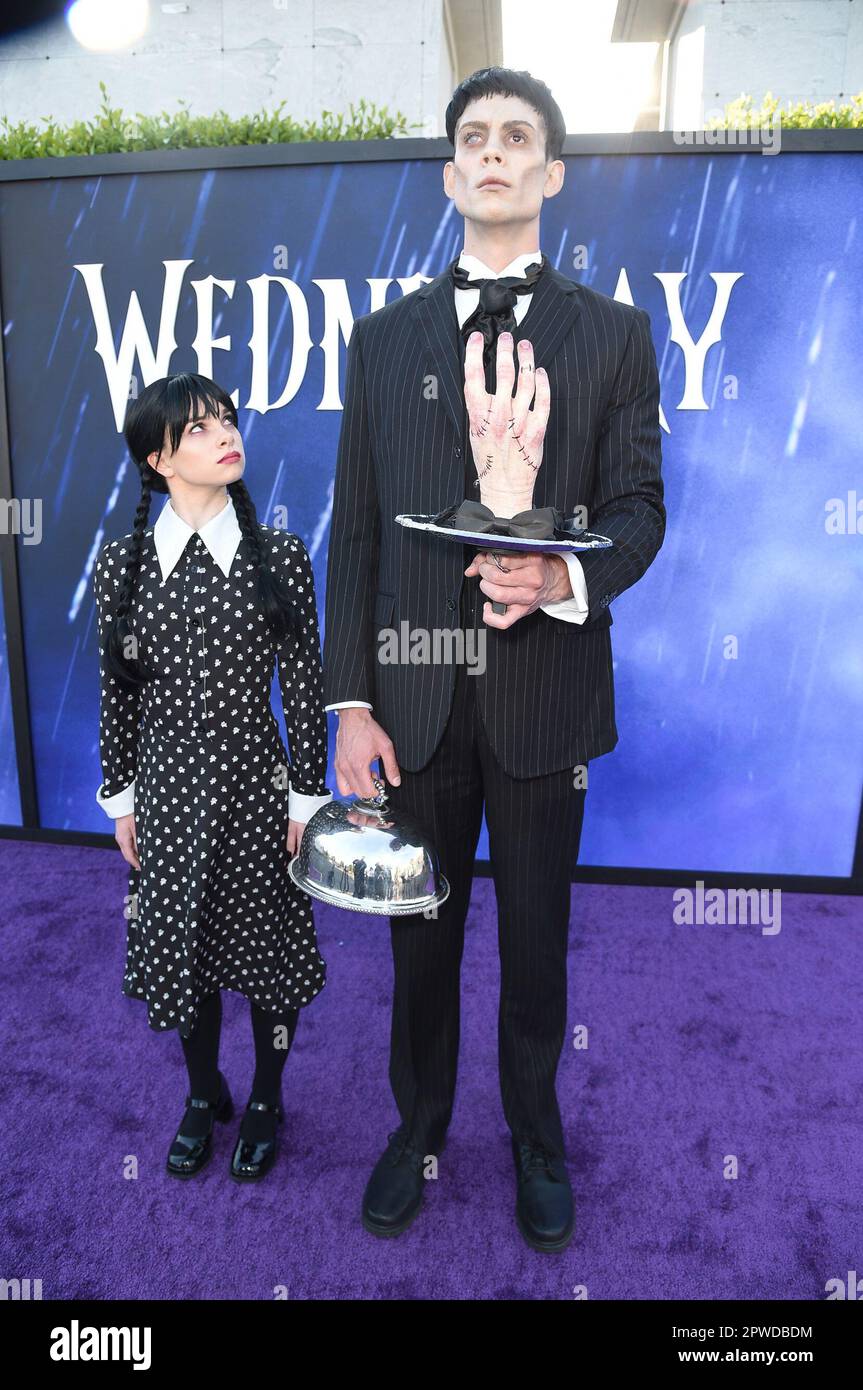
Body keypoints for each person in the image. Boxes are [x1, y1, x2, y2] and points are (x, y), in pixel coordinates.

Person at [324, 67, 665, 1252]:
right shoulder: (379, 343)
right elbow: (355, 529)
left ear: (551, 173)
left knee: (532, 943)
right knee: (419, 944)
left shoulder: (614, 337)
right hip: (410, 712)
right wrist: (349, 702)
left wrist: (557, 575)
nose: (492, 152)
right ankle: (416, 1129)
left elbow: (636, 511)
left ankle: (535, 1139)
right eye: (472, 137)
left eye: (516, 136)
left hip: (543, 710)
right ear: (448, 172)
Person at [93, 372, 332, 1183]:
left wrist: (307, 799)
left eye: (226, 419)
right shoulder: (122, 565)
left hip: (259, 792)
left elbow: (304, 690)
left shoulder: (283, 557)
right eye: (198, 428)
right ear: (159, 458)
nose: (225, 433)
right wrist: (120, 797)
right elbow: (114, 693)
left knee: (266, 949)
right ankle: (203, 1093)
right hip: (166, 794)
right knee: (182, 949)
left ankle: (266, 1098)